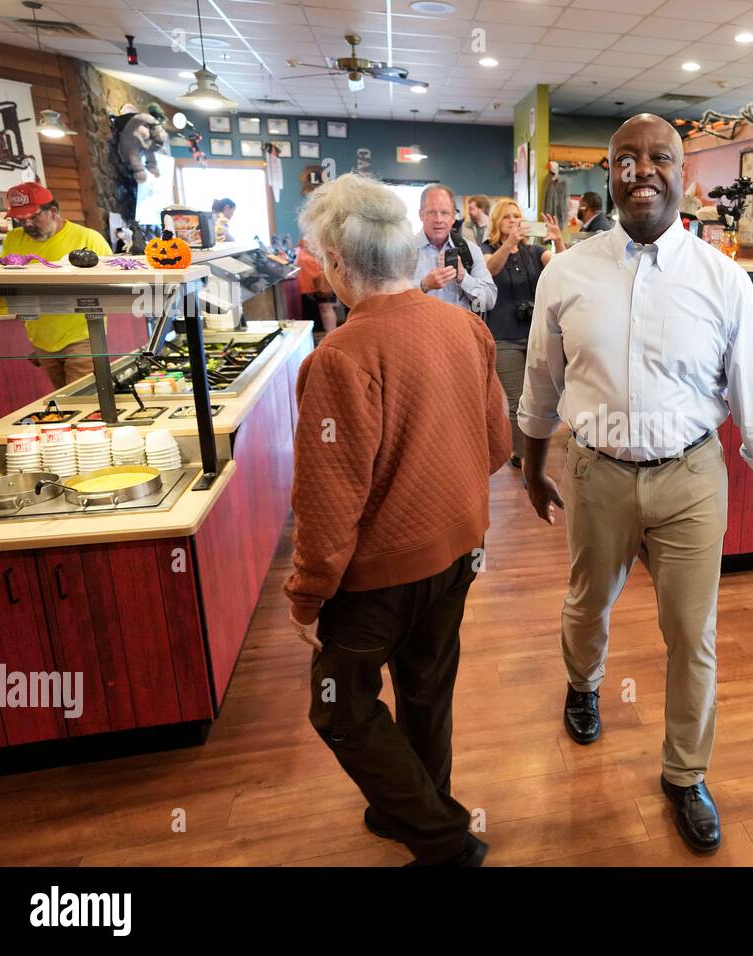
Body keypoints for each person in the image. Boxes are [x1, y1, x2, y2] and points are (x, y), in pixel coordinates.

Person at [518, 114, 753, 854]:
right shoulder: (567, 273)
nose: (642, 171)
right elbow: (541, 384)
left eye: (660, 158)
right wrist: (531, 467)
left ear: (685, 174)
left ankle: (685, 775)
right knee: (589, 604)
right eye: (626, 159)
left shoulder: (723, 280)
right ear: (608, 174)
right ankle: (583, 685)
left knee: (692, 634)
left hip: (690, 476)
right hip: (597, 473)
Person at [286, 172, 512, 867]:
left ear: (337, 259)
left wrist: (305, 594)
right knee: (425, 686)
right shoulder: (464, 327)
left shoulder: (341, 356)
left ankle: (441, 839)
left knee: (339, 707)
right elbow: (498, 446)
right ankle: (413, 806)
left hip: (378, 577)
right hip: (459, 552)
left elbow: (329, 503)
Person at [1, 181, 112, 389]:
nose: (27, 225)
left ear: (53, 211)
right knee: (65, 404)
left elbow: (111, 287)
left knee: (83, 403)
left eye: (33, 217)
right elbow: (8, 283)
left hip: (83, 335)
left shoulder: (88, 238)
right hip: (41, 338)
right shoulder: (12, 240)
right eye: (20, 220)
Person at [481, 201, 565, 470]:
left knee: (541, 397)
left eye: (517, 216)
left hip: (536, 334)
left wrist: (558, 240)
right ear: (497, 222)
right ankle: (524, 455)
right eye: (506, 217)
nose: (513, 221)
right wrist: (508, 244)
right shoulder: (488, 250)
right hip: (504, 336)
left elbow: (563, 267)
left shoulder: (534, 251)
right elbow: (490, 270)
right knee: (518, 400)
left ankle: (529, 450)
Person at [413, 183, 496, 315]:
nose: (438, 219)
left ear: (453, 217)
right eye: (431, 212)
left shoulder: (471, 251)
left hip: (460, 333)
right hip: (418, 332)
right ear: (420, 215)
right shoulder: (403, 251)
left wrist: (463, 277)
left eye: (445, 213)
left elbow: (489, 301)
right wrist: (424, 285)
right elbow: (388, 298)